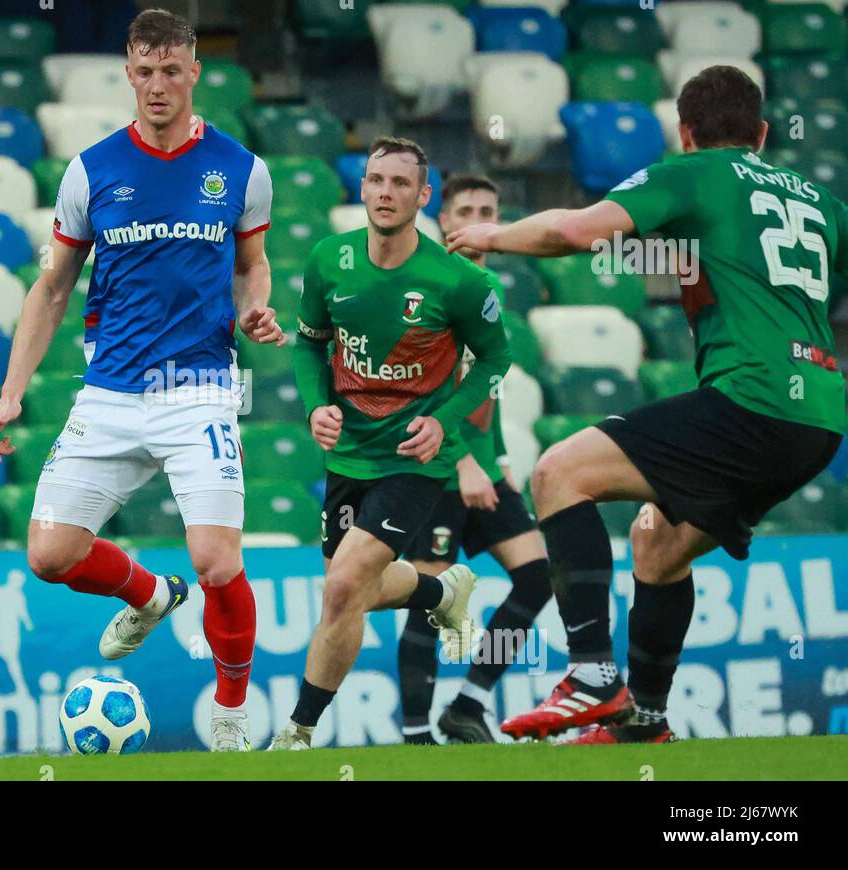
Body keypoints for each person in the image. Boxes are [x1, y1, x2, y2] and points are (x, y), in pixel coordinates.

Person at [446, 65, 847, 744]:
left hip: (751, 399)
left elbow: (577, 232)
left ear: (686, 134)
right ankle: (646, 722)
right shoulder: (824, 203)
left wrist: (491, 237)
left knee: (559, 472)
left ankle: (592, 676)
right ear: (765, 132)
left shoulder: (693, 172)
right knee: (657, 546)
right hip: (819, 422)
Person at [0, 8, 282, 752]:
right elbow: (53, 287)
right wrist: (11, 391)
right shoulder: (92, 170)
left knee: (218, 560)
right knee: (50, 556)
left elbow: (252, 265)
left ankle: (234, 709)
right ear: (128, 72)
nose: (157, 86)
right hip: (110, 391)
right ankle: (149, 594)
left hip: (200, 388)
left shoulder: (242, 169)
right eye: (144, 72)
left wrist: (257, 309)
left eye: (171, 71)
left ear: (194, 72)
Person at [268, 138, 512, 751]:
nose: (385, 192)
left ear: (423, 196)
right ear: (362, 187)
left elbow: (495, 360)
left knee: (342, 587)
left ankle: (297, 734)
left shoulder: (457, 279)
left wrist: (446, 421)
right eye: (376, 180)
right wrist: (316, 404)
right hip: (346, 455)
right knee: (350, 592)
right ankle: (439, 590)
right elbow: (307, 344)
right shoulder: (329, 259)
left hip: (413, 461)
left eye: (401, 183)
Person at [398, 176, 552, 745]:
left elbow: (487, 383)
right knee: (430, 597)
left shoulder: (490, 285)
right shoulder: (430, 283)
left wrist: (502, 458)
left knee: (536, 578)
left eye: (488, 210)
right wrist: (462, 463)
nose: (478, 220)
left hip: (485, 468)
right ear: (443, 220)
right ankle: (415, 734)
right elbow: (421, 389)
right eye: (466, 210)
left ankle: (469, 702)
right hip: (436, 468)